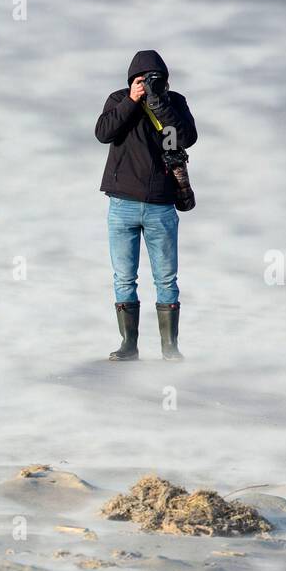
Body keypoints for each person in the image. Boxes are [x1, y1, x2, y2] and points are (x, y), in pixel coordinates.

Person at [95, 49, 197, 361]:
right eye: (141, 79)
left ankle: (169, 347)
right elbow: (103, 133)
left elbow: (186, 137)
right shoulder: (118, 99)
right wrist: (132, 99)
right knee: (124, 277)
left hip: (160, 205)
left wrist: (159, 104)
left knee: (166, 278)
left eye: (154, 79)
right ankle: (129, 345)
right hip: (122, 202)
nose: (148, 84)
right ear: (131, 80)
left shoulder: (174, 102)